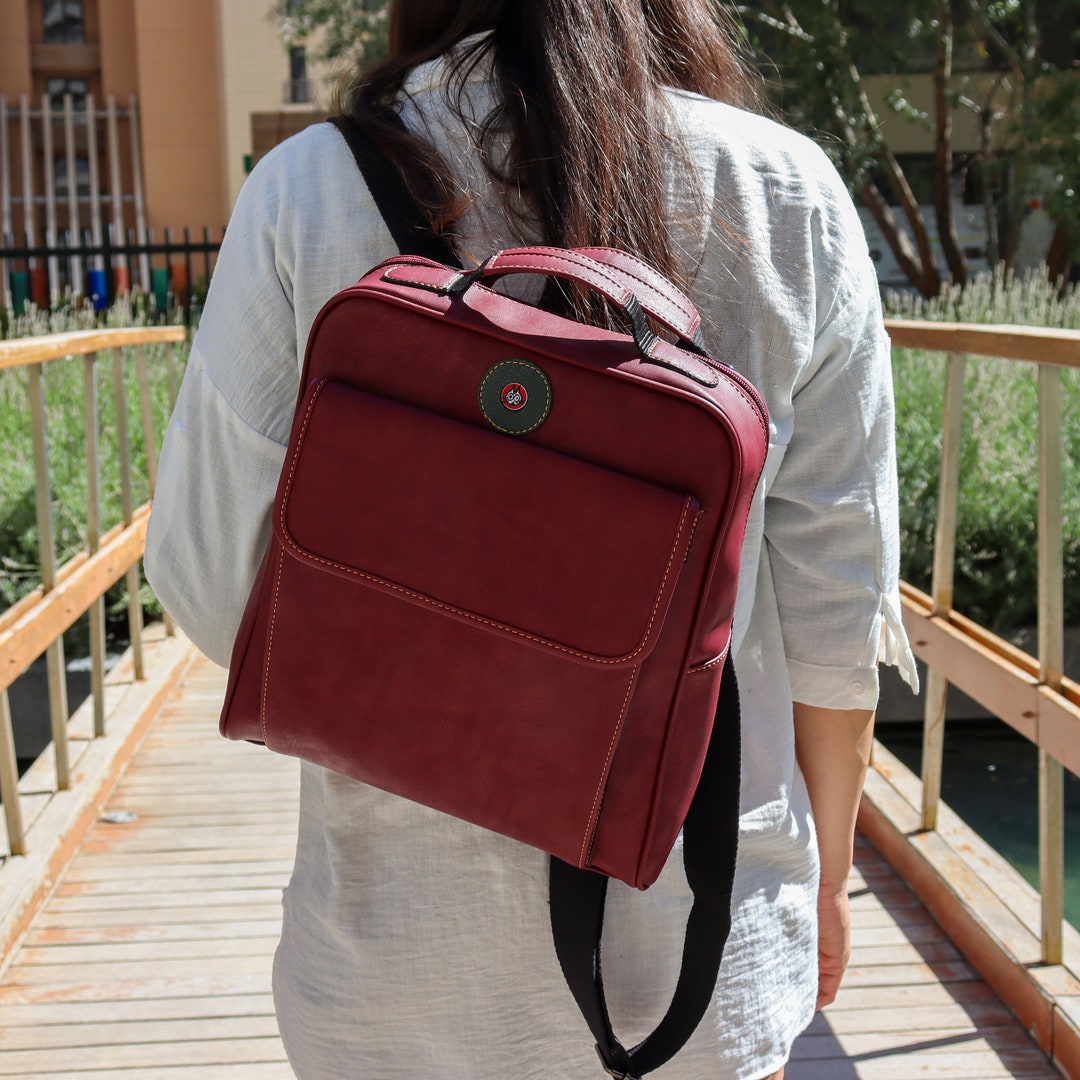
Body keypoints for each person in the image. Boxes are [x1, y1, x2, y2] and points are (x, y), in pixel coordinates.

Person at [144, 2, 918, 1076]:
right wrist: (827, 878)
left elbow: (212, 582)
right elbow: (837, 624)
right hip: (706, 966)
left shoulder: (311, 187)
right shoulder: (786, 191)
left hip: (388, 975)